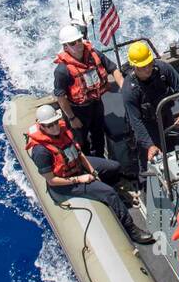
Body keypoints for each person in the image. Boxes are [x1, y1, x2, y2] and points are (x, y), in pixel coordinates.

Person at [26, 103, 154, 244]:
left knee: (114, 167)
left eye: (55, 123)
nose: (55, 127)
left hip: (76, 165)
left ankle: (111, 189)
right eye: (50, 126)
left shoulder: (62, 130)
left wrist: (92, 170)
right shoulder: (41, 151)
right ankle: (131, 229)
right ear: (42, 126)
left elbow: (78, 153)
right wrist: (80, 179)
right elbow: (52, 180)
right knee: (109, 192)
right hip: (65, 182)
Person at [121, 40, 179, 165]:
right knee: (150, 162)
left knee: (175, 149)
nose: (148, 69)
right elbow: (135, 121)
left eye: (149, 64)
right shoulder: (129, 90)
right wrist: (150, 145)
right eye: (143, 67)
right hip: (147, 126)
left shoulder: (162, 68)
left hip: (166, 117)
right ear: (134, 67)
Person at [53, 23, 124, 159]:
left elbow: (113, 68)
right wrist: (72, 118)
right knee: (80, 140)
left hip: (96, 104)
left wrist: (122, 86)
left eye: (79, 40)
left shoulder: (93, 54)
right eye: (73, 43)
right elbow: (61, 97)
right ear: (65, 47)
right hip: (77, 110)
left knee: (98, 135)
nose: (78, 45)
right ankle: (87, 164)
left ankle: (101, 160)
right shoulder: (62, 70)